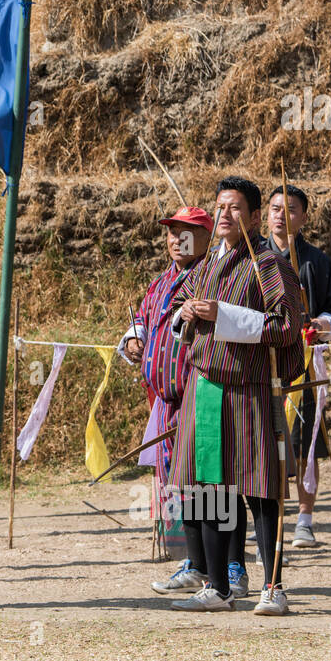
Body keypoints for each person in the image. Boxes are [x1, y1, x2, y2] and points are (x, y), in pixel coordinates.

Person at [168, 177, 305, 615]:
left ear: (251, 215)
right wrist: (185, 312)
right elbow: (180, 308)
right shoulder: (208, 262)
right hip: (204, 387)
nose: (225, 214)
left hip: (248, 389)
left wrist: (222, 315)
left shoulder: (268, 263)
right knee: (209, 489)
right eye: (220, 207)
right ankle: (217, 587)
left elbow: (286, 326)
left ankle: (273, 587)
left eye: (234, 208)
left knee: (260, 489)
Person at [119, 207, 239, 596]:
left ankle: (231, 567)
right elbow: (142, 319)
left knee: (214, 484)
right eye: (171, 232)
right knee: (181, 484)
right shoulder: (159, 284)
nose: (176, 239)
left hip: (202, 397)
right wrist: (133, 340)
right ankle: (196, 563)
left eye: (186, 232)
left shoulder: (213, 279)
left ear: (208, 238)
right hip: (166, 402)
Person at [265, 183, 331, 548]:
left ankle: (304, 519)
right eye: (275, 208)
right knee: (263, 441)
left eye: (291, 209)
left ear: (303, 216)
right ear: (264, 214)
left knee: (303, 443)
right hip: (260, 364)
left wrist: (324, 324)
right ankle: (268, 521)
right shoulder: (250, 258)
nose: (282, 215)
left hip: (303, 364)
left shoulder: (317, 261)